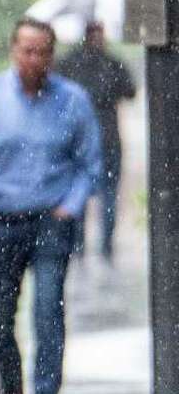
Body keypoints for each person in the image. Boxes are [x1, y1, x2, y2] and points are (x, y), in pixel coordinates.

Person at [0, 18, 103, 394]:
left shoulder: (73, 101)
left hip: (51, 221)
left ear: (52, 55)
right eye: (27, 50)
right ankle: (9, 392)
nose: (34, 59)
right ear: (13, 51)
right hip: (0, 222)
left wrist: (69, 208)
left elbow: (89, 164)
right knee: (0, 320)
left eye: (42, 51)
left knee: (48, 311)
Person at [54, 20, 136, 261]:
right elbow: (130, 91)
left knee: (85, 193)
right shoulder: (111, 63)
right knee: (104, 194)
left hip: (84, 139)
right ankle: (102, 247)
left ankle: (84, 246)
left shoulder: (70, 63)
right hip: (102, 137)